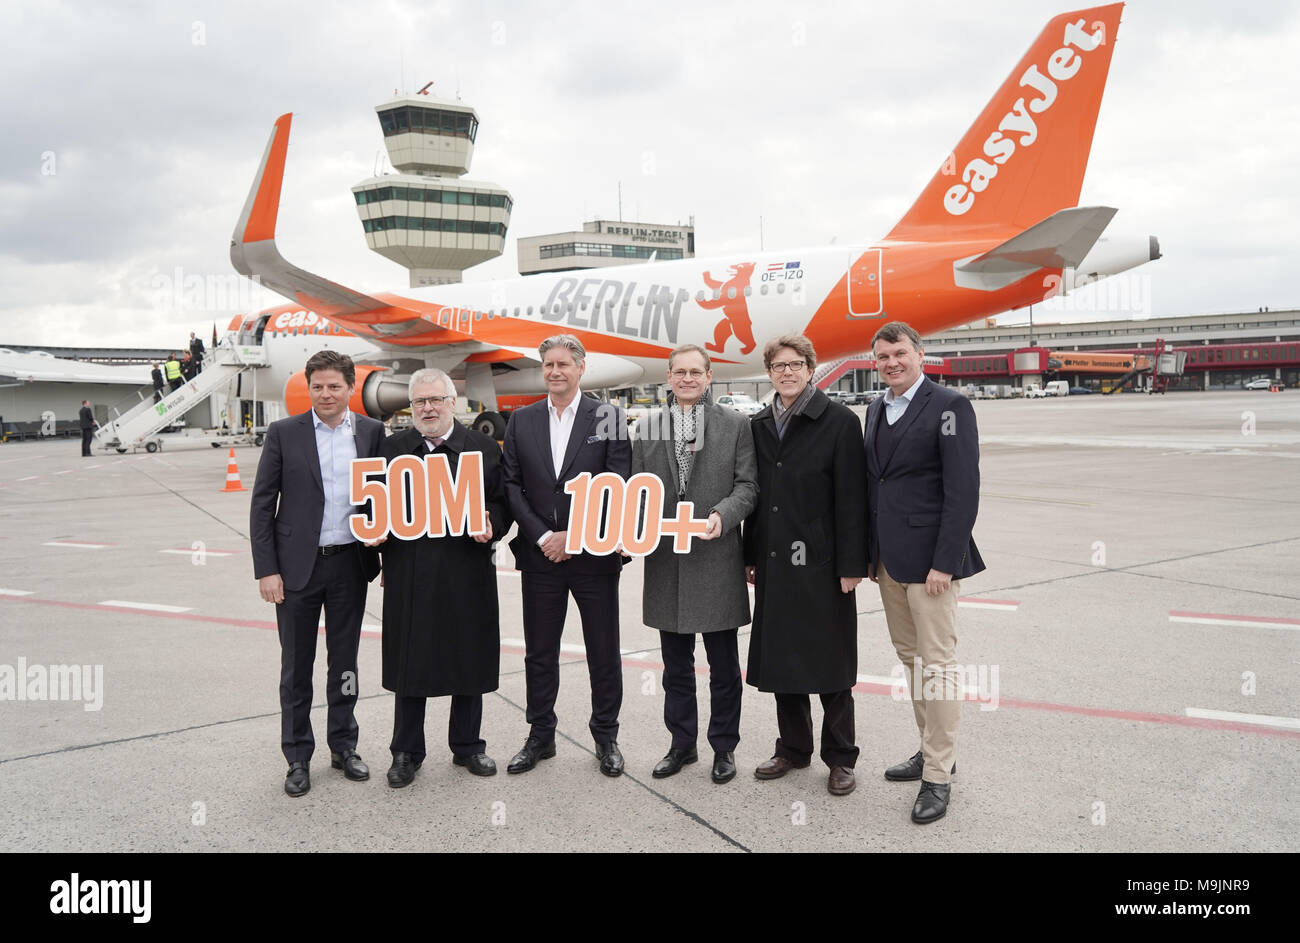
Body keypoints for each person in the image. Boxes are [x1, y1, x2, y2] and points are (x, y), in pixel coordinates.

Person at [249, 350, 385, 798]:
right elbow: (262, 503)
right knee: (296, 668)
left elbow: (386, 497)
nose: (326, 394)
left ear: (350, 387)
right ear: (309, 389)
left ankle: (344, 747)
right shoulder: (284, 433)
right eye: (318, 386)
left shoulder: (372, 432)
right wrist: (267, 570)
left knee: (344, 664)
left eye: (334, 386)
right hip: (295, 570)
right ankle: (298, 756)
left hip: (350, 563)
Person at [865, 321, 983, 825]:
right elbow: (877, 487)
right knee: (911, 661)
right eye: (882, 356)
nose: (891, 362)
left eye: (899, 353)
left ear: (919, 353)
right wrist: (870, 557)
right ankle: (931, 749)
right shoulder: (874, 408)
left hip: (931, 563)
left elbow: (963, 491)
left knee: (937, 664)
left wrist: (945, 562)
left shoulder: (949, 406)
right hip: (889, 562)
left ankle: (938, 775)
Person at [502, 334, 631, 777]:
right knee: (539, 652)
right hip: (541, 559)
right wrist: (543, 537)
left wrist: (572, 535)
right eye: (548, 364)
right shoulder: (521, 420)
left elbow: (618, 482)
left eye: (563, 364)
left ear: (580, 368)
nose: (555, 371)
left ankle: (606, 737)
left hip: (593, 556)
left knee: (603, 650)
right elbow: (512, 486)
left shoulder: (608, 416)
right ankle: (541, 735)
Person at [743, 334, 867, 796]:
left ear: (811, 368)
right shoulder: (758, 424)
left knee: (831, 662)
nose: (787, 372)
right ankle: (793, 749)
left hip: (822, 561)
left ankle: (840, 757)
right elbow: (755, 498)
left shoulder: (838, 422)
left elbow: (852, 499)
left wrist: (852, 564)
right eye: (779, 366)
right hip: (775, 561)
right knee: (784, 660)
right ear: (770, 372)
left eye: (796, 364)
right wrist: (750, 556)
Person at [377, 368, 512, 787]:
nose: (428, 408)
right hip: (409, 572)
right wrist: (376, 533)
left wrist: (492, 522)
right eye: (419, 402)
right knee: (409, 662)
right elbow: (370, 504)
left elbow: (503, 503)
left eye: (436, 400)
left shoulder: (485, 448)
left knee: (468, 655)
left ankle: (468, 745)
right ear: (411, 406)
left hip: (466, 570)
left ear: (454, 403)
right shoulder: (392, 449)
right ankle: (406, 751)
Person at [630, 344, 756, 784]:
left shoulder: (736, 425)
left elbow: (748, 486)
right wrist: (632, 532)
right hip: (667, 562)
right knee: (675, 668)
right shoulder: (647, 428)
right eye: (679, 372)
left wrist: (724, 514)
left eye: (695, 372)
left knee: (724, 668)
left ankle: (724, 747)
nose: (687, 379)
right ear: (668, 376)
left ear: (708, 376)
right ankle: (682, 745)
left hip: (715, 556)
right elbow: (634, 492)